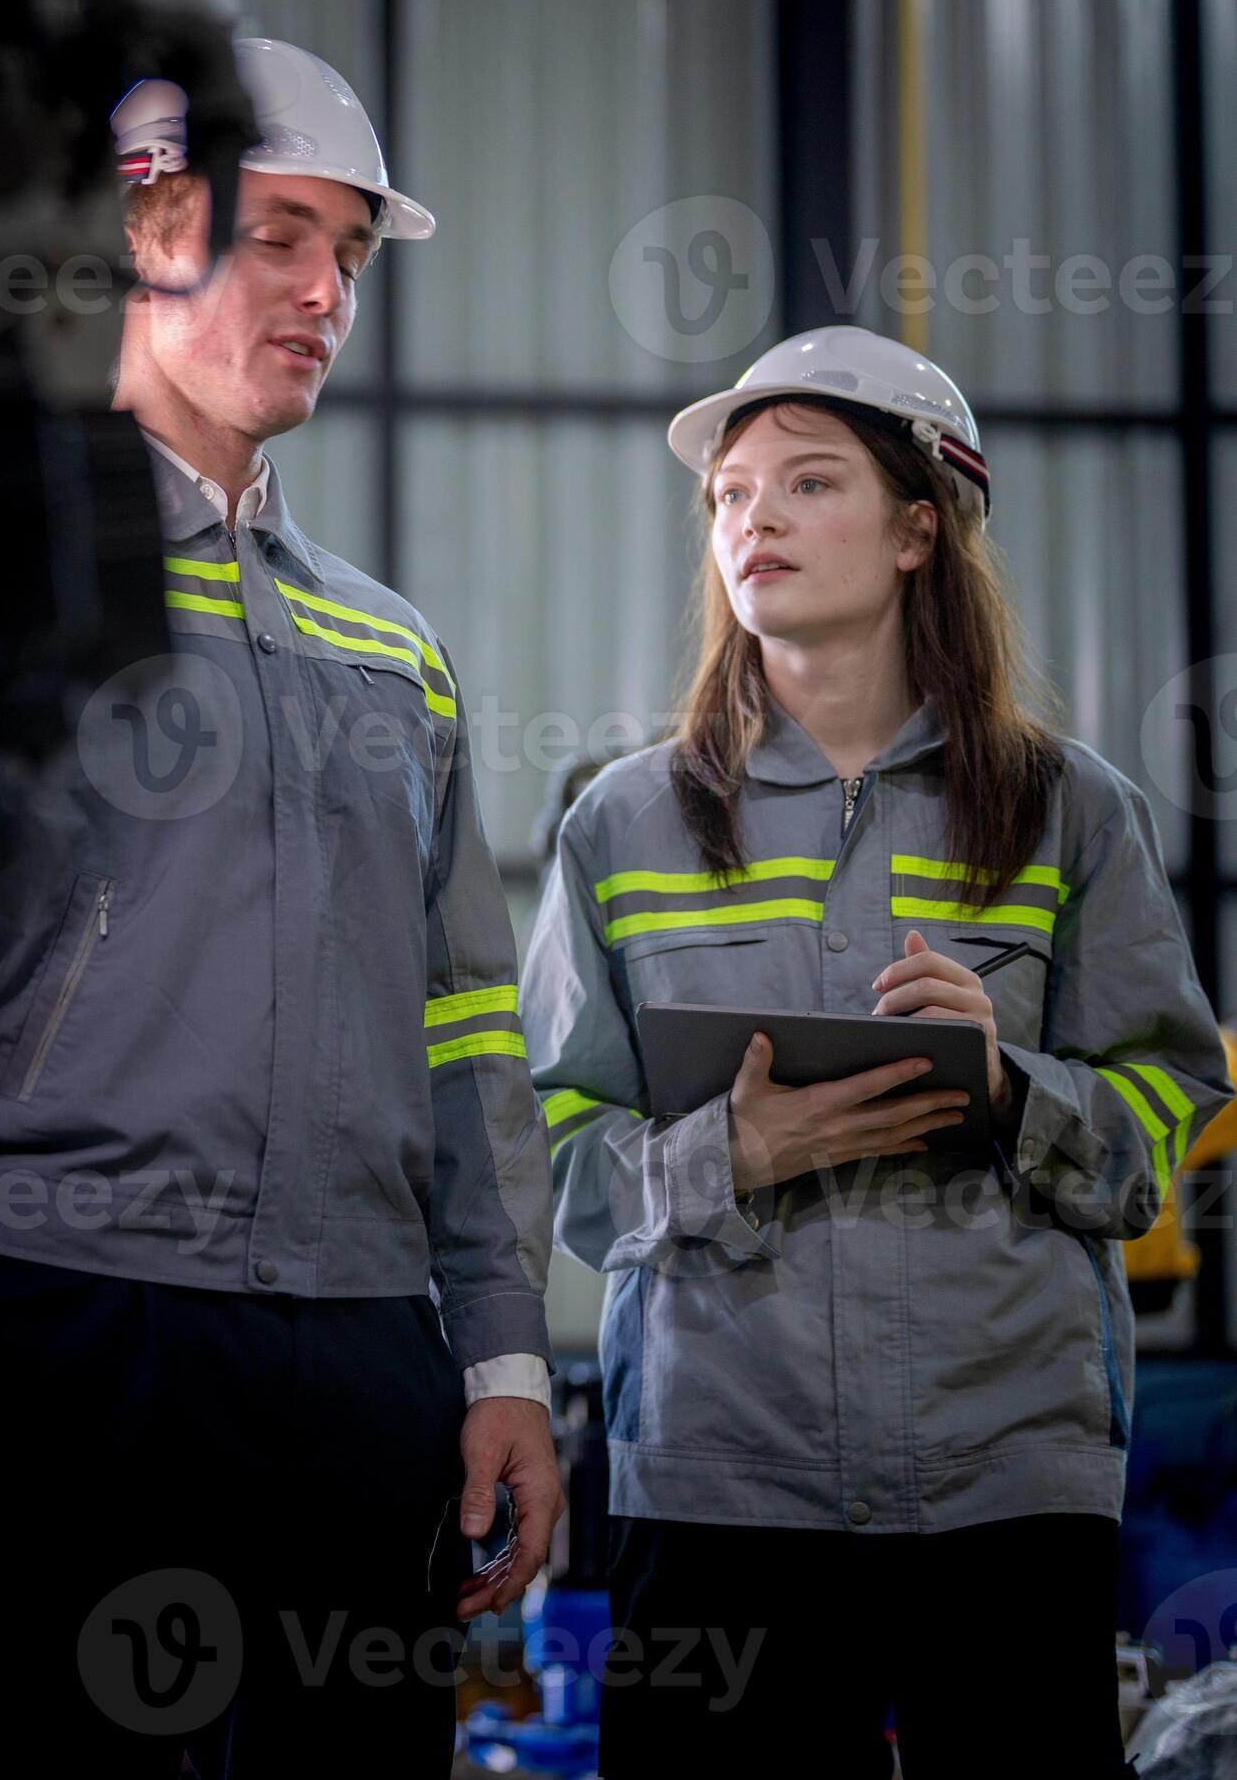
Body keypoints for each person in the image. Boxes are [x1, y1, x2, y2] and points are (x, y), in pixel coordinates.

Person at [0, 37, 559, 1775]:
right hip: (71, 1317)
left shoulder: (388, 643)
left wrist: (504, 1364)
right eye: (280, 237)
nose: (327, 291)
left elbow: (469, 1028)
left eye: (348, 251)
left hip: (363, 1352)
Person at [525, 326, 1230, 1777]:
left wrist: (1013, 1089)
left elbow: (1164, 1110)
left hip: (1006, 1485)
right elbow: (544, 1145)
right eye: (729, 494)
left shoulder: (1068, 814)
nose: (753, 521)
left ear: (921, 529)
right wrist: (733, 1153)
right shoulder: (623, 825)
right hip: (723, 1483)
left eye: (807, 483)